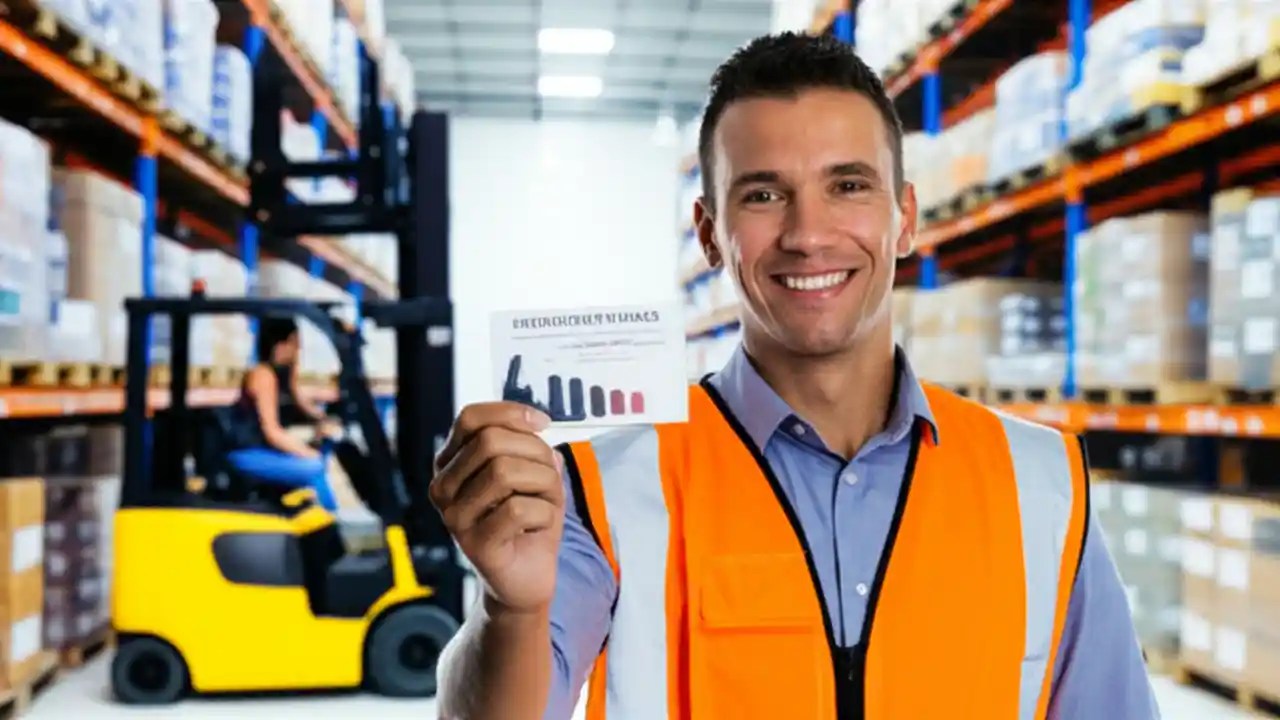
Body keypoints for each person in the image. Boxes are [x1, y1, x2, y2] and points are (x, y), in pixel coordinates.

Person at [429, 33, 1159, 720]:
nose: (808, 235)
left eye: (849, 185)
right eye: (763, 195)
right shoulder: (605, 489)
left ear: (904, 218)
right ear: (710, 234)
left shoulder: (1039, 483)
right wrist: (509, 607)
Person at [226, 316, 342, 511]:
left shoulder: (282, 374)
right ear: (281, 344)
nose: (299, 349)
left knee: (319, 457)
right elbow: (272, 431)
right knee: (314, 467)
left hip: (264, 449)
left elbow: (301, 404)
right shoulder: (263, 376)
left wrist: (324, 421)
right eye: (295, 343)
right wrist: (307, 453)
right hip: (248, 453)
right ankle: (332, 516)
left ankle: (325, 514)